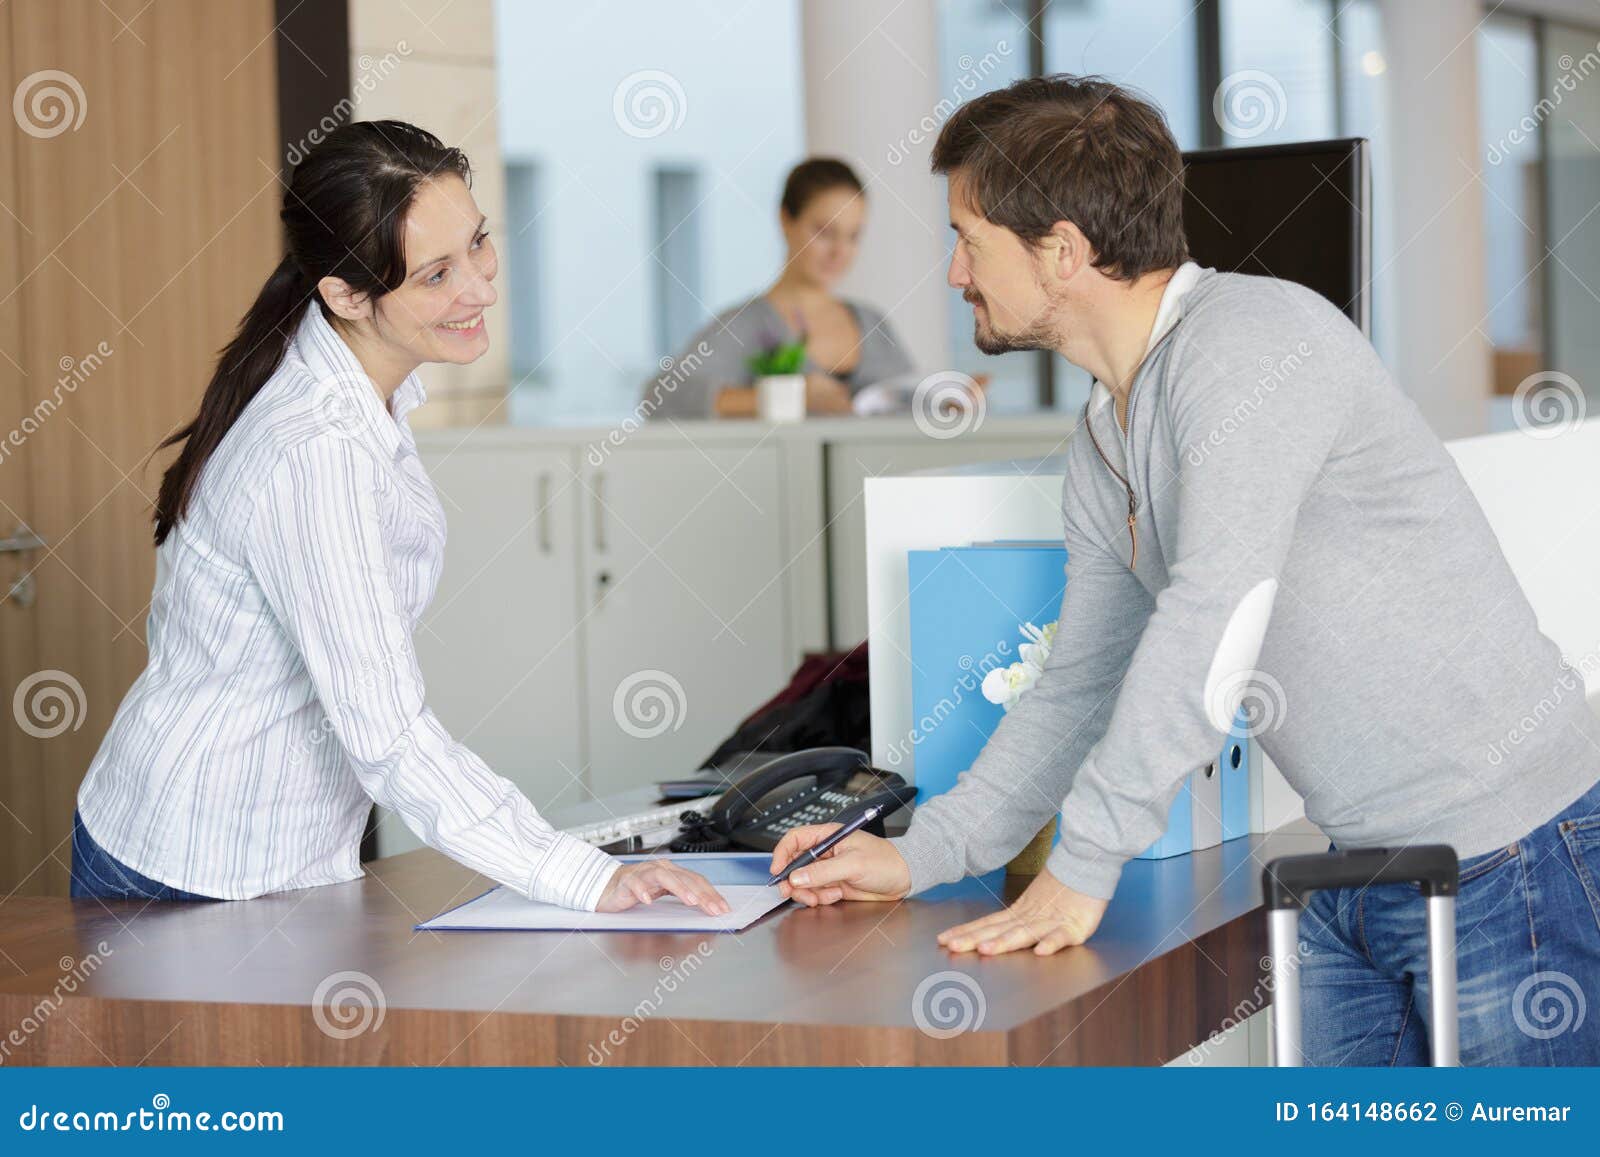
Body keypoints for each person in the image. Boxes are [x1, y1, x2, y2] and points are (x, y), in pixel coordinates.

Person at [768, 75, 1600, 1066]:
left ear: (1064, 251)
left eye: (969, 239)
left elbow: (1215, 611)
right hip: (1357, 865)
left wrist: (1082, 867)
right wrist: (926, 853)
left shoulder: (1252, 344)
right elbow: (1079, 679)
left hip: (1514, 852)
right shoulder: (1106, 430)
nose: (953, 272)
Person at [71, 120, 728, 917]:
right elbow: (386, 734)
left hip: (277, 852)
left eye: (479, 243)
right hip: (194, 861)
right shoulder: (315, 451)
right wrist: (585, 874)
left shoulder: (357, 388)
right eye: (436, 274)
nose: (481, 287)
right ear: (346, 294)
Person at [647, 158, 915, 419]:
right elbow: (659, 398)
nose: (839, 251)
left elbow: (915, 402)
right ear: (786, 220)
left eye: (853, 236)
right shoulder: (745, 325)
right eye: (824, 232)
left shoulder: (873, 323)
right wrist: (785, 398)